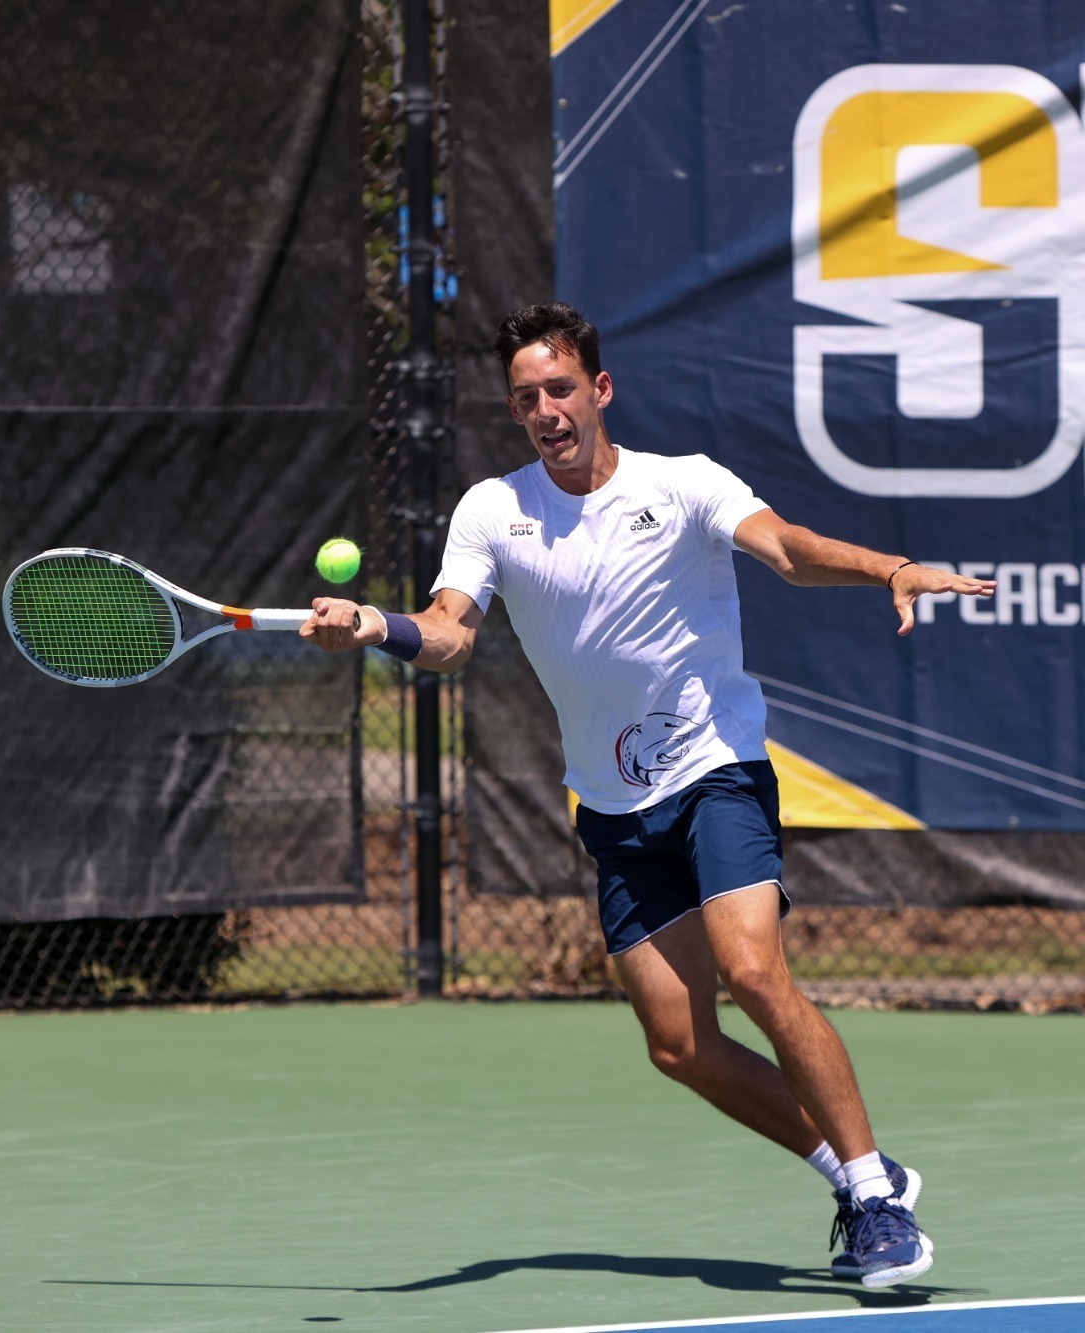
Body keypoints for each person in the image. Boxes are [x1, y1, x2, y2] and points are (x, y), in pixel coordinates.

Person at [300, 301, 993, 1288]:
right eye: (524, 397)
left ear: (599, 389)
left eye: (559, 389)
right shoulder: (492, 509)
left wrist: (892, 567)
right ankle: (846, 1172)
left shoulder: (685, 486)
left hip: (714, 768)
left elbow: (790, 549)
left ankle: (879, 1197)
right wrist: (375, 625)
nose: (543, 409)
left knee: (752, 971)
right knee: (677, 1044)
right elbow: (450, 632)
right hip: (614, 806)